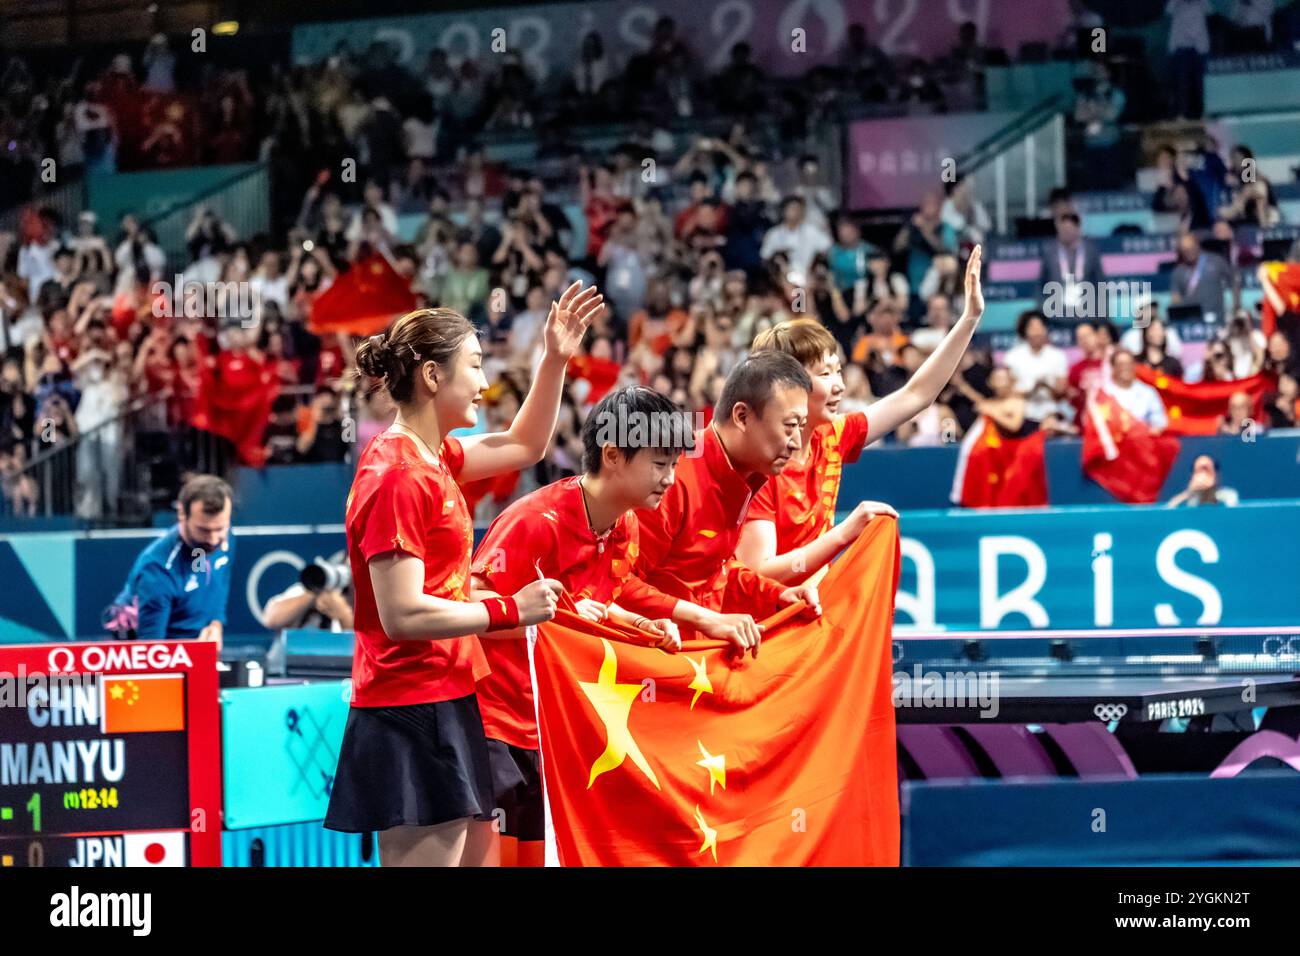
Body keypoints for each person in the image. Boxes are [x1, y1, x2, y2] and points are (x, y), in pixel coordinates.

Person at [322, 282, 604, 867]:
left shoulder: (437, 457)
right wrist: (511, 610)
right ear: (431, 375)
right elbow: (401, 615)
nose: (484, 382)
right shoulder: (397, 474)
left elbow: (525, 444)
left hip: (450, 694)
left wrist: (553, 359)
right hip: (409, 708)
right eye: (474, 366)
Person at [467, 385, 698, 866]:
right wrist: (552, 619)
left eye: (675, 464)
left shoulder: (625, 526)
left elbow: (598, 604)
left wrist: (641, 625)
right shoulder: (535, 520)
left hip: (555, 732)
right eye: (660, 463)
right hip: (495, 729)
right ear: (613, 455)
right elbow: (470, 602)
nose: (671, 479)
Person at [737, 246, 985, 584]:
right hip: (763, 617)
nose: (839, 385)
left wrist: (968, 319)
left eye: (839, 371)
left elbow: (916, 395)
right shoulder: (759, 467)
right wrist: (841, 535)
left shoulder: (832, 436)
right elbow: (757, 574)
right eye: (825, 374)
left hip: (813, 596)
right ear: (786, 384)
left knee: (881, 531)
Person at [628, 352, 826, 659]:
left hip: (696, 659)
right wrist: (704, 619)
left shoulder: (747, 475)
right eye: (789, 426)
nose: (796, 442)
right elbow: (617, 583)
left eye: (801, 426)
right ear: (742, 416)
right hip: (650, 665)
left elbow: (717, 571)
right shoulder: (672, 477)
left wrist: (779, 595)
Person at [111, 475, 235, 645]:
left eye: (220, 528)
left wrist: (215, 623)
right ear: (182, 514)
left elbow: (215, 583)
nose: (213, 539)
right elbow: (151, 653)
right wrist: (193, 653)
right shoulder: (157, 571)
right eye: (204, 530)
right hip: (161, 651)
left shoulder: (223, 539)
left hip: (198, 647)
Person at [1003, 311, 1069, 424]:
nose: (1037, 332)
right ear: (1024, 331)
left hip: (1051, 412)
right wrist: (1032, 389)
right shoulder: (1012, 357)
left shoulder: (1058, 356)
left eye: (1040, 327)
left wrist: (1046, 385)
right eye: (1033, 328)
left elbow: (1062, 392)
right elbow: (1009, 392)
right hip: (1022, 413)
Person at [1170, 231, 1234, 323]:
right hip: (1192, 320)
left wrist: (1236, 307)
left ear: (1197, 245)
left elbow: (1234, 280)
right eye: (1185, 250)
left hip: (1217, 317)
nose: (1189, 252)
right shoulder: (1178, 271)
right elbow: (1176, 298)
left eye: (1191, 248)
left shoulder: (1216, 261)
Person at [1103, 350, 1167, 431]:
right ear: (1113, 367)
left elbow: (1159, 422)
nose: (1125, 368)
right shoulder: (1105, 392)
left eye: (1129, 364)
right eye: (1121, 364)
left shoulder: (1148, 392)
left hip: (1142, 440)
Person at [1167, 454, 1239, 507]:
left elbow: (1233, 515)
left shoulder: (1229, 495)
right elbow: (1167, 514)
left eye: (1206, 470)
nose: (1203, 475)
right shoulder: (1190, 500)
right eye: (1199, 471)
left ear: (1215, 475)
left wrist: (1210, 491)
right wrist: (1188, 493)